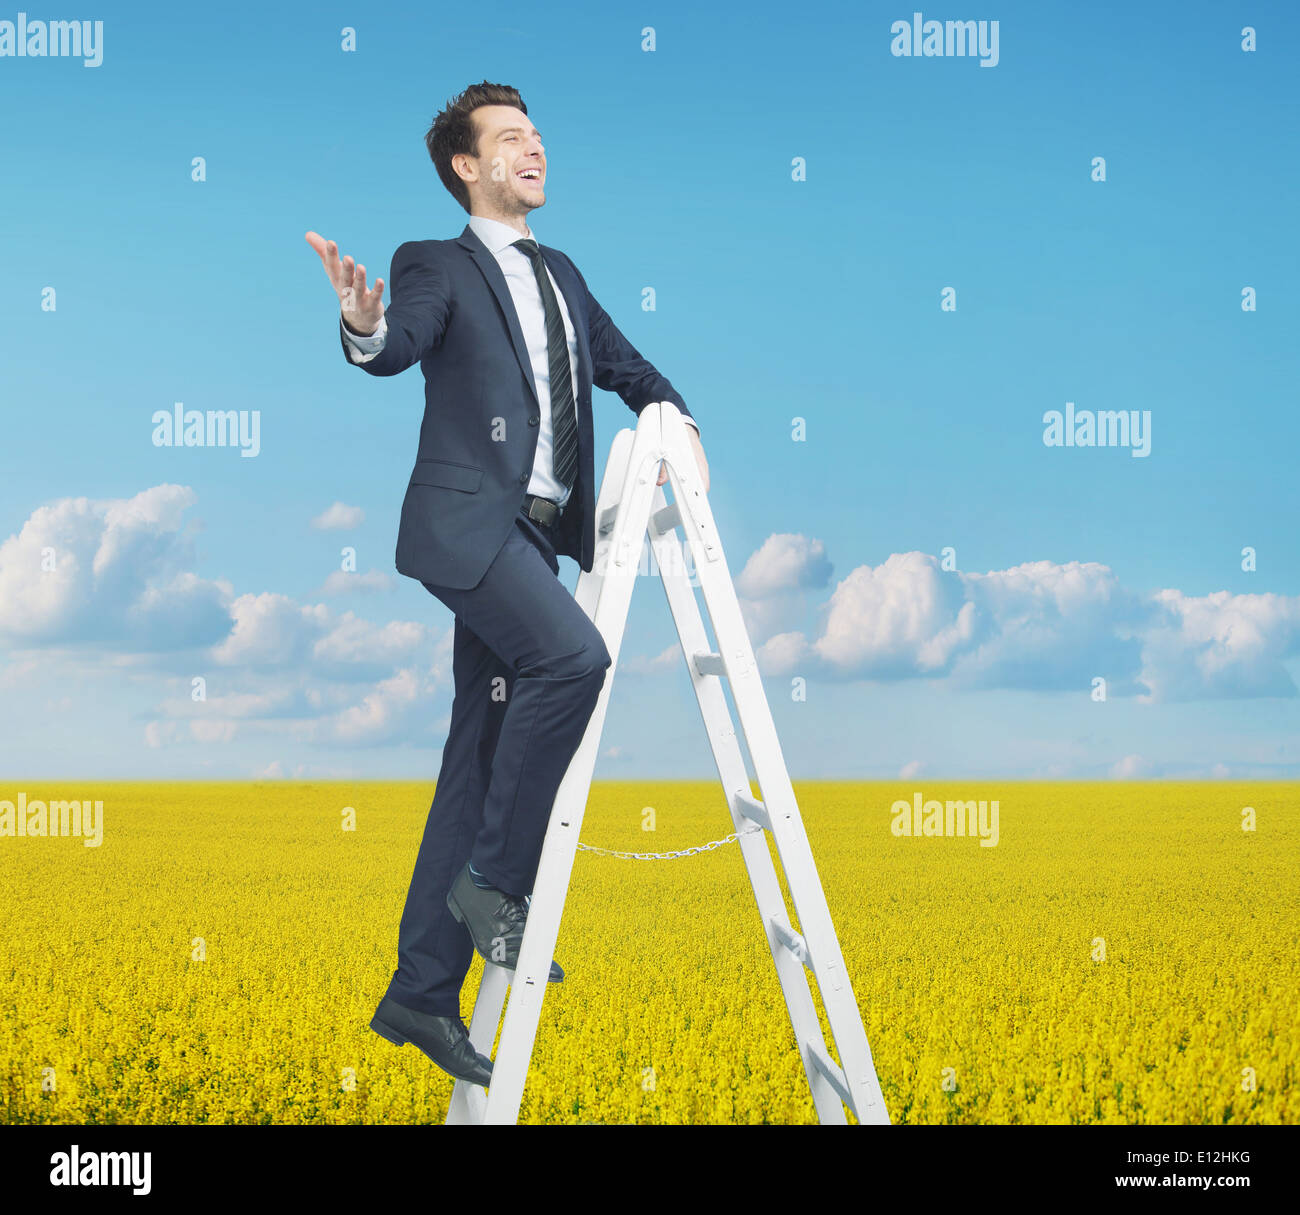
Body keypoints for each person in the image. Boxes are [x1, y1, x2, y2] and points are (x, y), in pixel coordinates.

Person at [305, 81, 709, 1087]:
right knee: (575, 658)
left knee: (475, 761)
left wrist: (678, 422)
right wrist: (362, 324)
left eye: (538, 135)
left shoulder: (563, 274)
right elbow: (397, 345)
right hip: (467, 526)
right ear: (465, 166)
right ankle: (495, 890)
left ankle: (419, 995)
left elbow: (626, 367)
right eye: (511, 139)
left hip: (535, 544)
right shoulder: (432, 263)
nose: (534, 149)